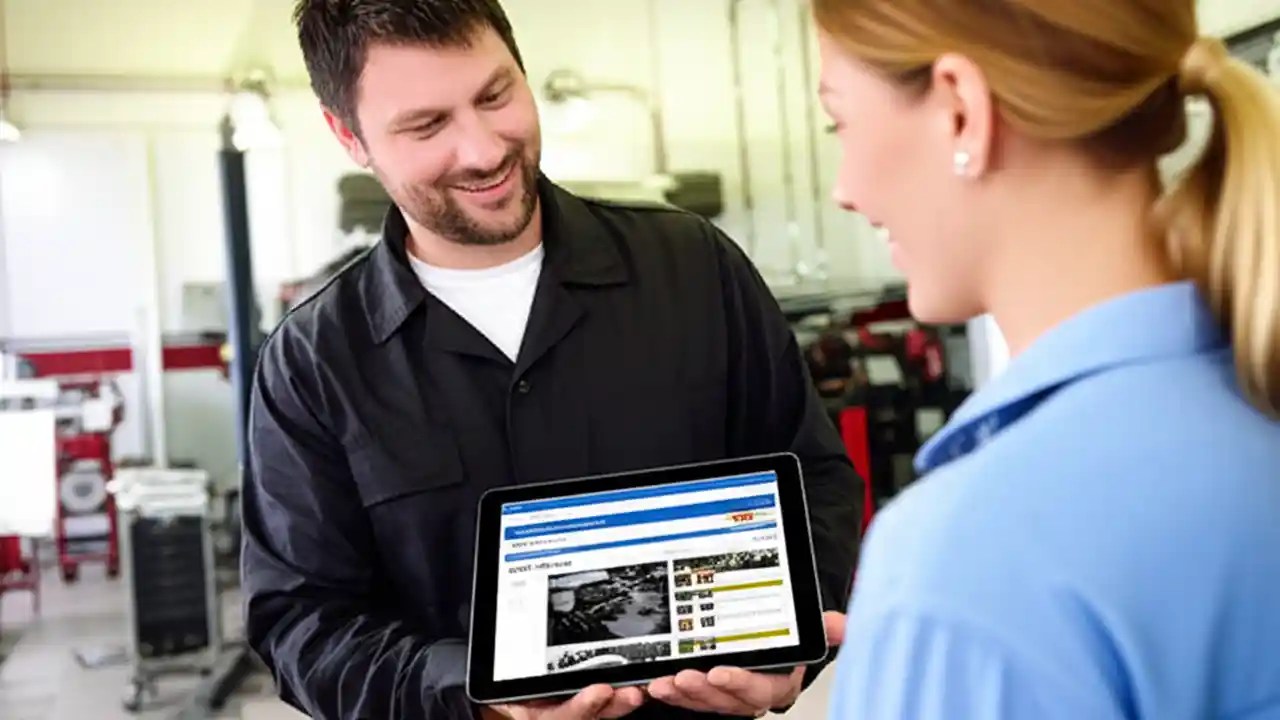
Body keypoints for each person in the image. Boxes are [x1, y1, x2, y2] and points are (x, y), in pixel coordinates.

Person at [241, 2, 862, 719]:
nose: (481, 149)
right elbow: (302, 623)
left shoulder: (693, 270)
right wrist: (479, 701)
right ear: (349, 136)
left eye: (495, 95)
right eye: (427, 125)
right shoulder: (314, 363)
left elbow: (813, 479)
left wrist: (791, 640)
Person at [811, 0, 1280, 718]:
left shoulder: (969, 556)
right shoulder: (1250, 411)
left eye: (839, 123)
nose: (845, 191)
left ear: (960, 109)